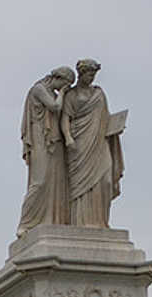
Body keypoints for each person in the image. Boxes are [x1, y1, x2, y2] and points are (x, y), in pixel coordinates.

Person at [61, 58, 124, 228]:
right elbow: (65, 118)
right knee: (81, 184)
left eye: (94, 75)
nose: (91, 78)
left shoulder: (99, 93)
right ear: (81, 74)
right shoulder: (71, 95)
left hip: (100, 140)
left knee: (106, 181)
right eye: (89, 74)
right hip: (80, 141)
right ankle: (80, 222)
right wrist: (68, 137)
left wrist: (115, 127)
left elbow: (105, 116)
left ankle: (100, 221)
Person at [17, 66, 76, 233]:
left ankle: (52, 219)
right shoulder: (39, 89)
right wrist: (63, 93)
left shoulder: (54, 94)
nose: (66, 88)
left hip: (55, 140)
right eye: (66, 84)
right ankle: (25, 223)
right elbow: (55, 107)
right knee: (40, 180)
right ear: (59, 78)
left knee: (56, 180)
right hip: (40, 139)